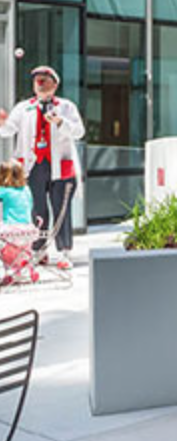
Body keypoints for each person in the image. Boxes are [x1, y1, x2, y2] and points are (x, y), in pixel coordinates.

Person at [0, 65, 84, 271]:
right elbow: (8, 131)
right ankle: (39, 251)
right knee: (37, 210)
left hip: (59, 166)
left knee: (61, 210)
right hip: (33, 166)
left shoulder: (66, 107)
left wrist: (60, 122)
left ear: (55, 84)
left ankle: (65, 252)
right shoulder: (23, 107)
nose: (40, 82)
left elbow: (79, 131)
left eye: (44, 79)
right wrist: (2, 122)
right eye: (37, 79)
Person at [0, 160, 39, 285]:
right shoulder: (27, 190)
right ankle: (19, 268)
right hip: (28, 235)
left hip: (10, 235)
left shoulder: (3, 191)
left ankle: (11, 270)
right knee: (18, 251)